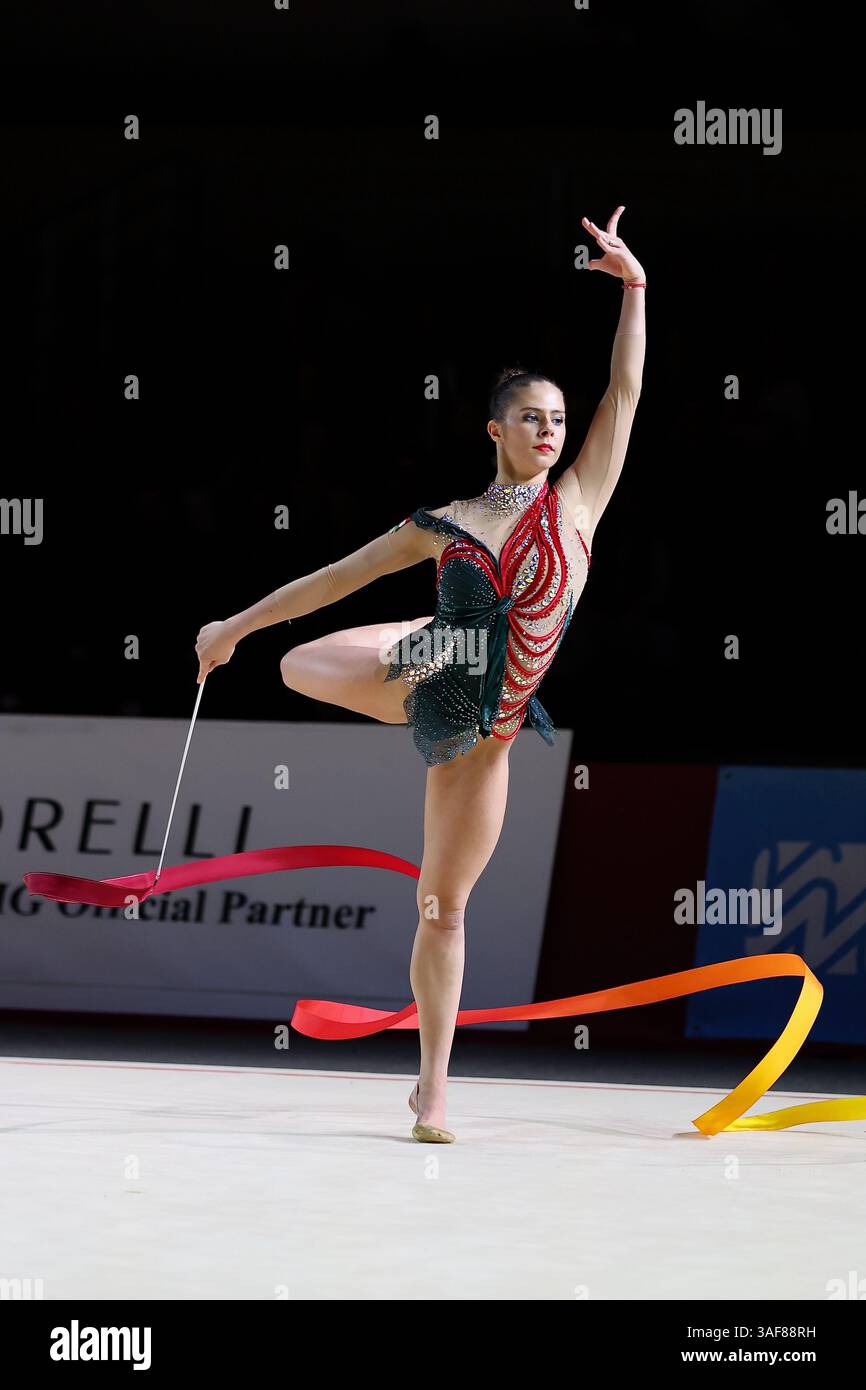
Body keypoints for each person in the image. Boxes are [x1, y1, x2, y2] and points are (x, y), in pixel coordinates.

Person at [195, 207, 646, 1142]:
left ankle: (431, 1089)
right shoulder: (442, 523)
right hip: (432, 673)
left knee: (441, 909)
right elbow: (331, 578)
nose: (551, 429)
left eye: (559, 419)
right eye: (532, 416)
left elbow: (626, 393)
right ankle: (422, 638)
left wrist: (634, 290)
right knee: (293, 662)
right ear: (496, 428)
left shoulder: (579, 507)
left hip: (489, 736)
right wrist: (231, 626)